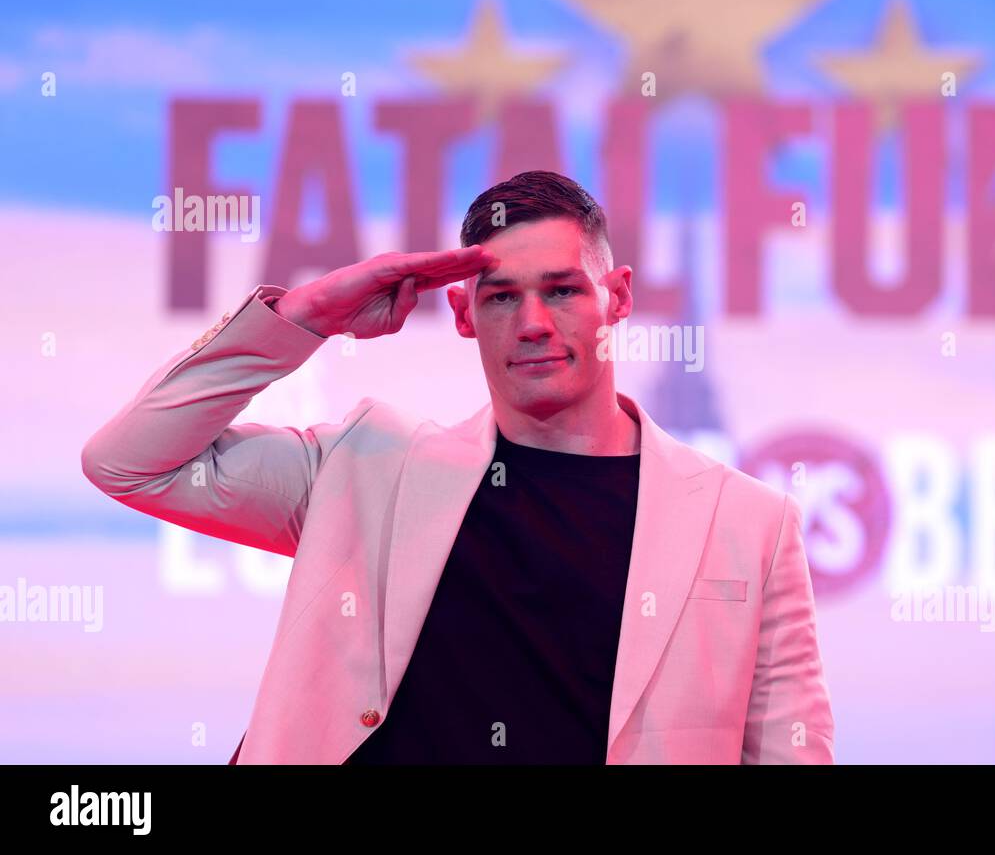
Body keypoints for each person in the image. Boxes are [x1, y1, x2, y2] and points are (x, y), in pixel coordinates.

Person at [81, 170, 834, 764]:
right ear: (465, 315)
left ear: (618, 297)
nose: (534, 324)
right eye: (502, 297)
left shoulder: (749, 525)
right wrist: (305, 317)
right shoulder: (368, 468)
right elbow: (130, 463)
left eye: (563, 290)